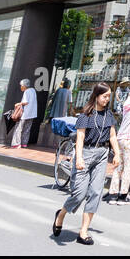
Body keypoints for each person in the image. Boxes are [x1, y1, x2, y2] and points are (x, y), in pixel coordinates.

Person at [53, 82, 120, 245]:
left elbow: (112, 136)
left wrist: (117, 153)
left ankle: (83, 232)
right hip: (86, 153)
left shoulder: (108, 115)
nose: (107, 99)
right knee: (79, 194)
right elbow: (81, 138)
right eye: (104, 96)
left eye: (108, 97)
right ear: (96, 96)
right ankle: (61, 215)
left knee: (96, 193)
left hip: (102, 154)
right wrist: (80, 157)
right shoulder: (85, 116)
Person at [10, 78, 39, 148]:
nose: (20, 87)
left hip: (25, 114)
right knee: (27, 129)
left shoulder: (26, 92)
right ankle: (24, 143)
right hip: (32, 113)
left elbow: (26, 102)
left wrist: (18, 104)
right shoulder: (33, 90)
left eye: (21, 85)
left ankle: (16, 144)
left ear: (24, 86)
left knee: (18, 128)